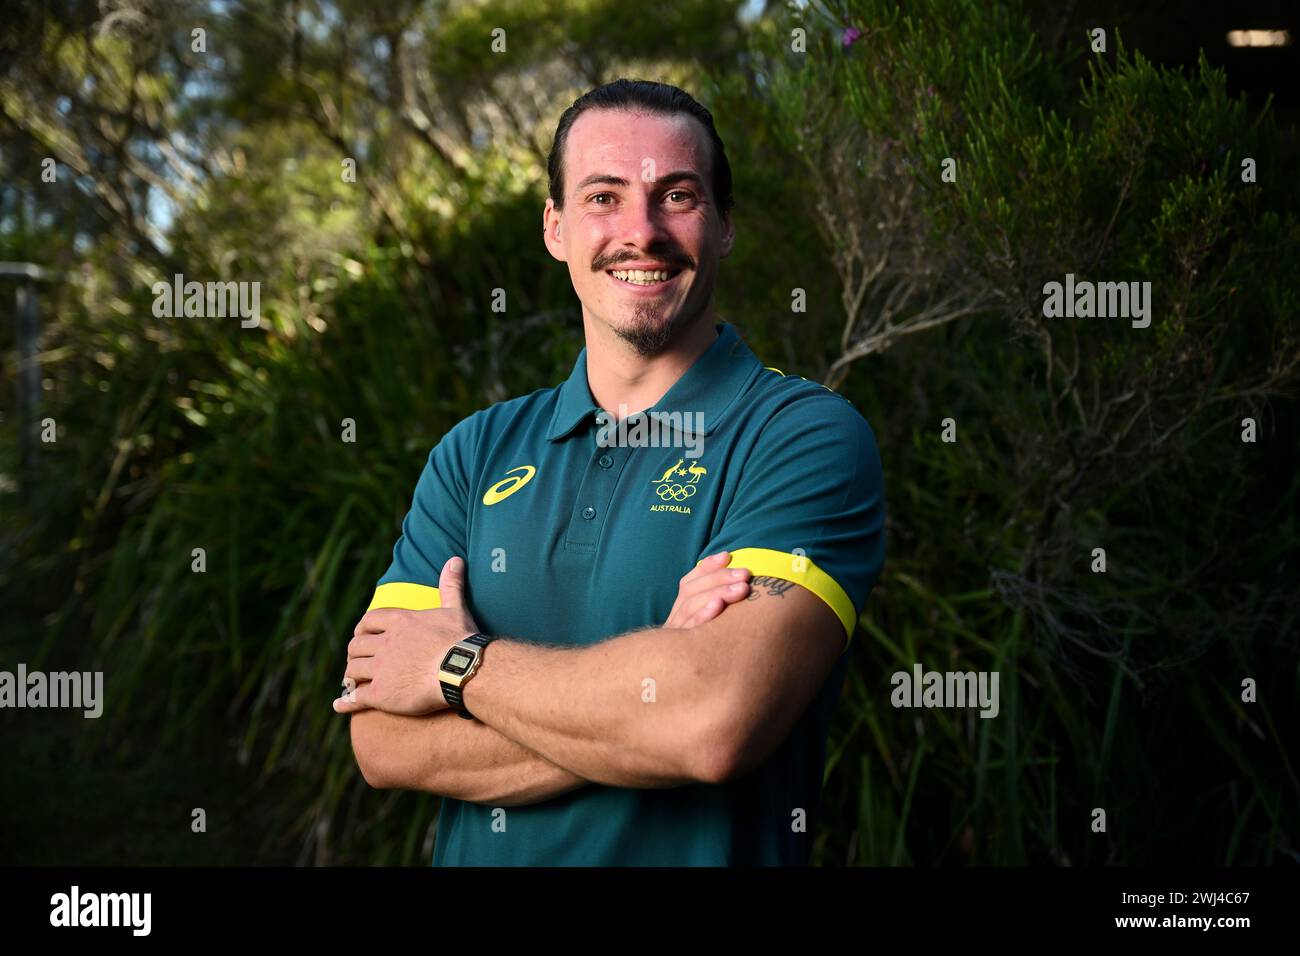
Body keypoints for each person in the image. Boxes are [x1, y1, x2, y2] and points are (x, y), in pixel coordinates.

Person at [333, 78, 886, 866]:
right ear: (555, 228)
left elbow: (714, 722)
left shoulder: (803, 437)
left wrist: (456, 666)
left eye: (678, 196)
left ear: (725, 226)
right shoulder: (474, 453)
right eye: (603, 196)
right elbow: (382, 740)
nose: (642, 231)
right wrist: (653, 687)